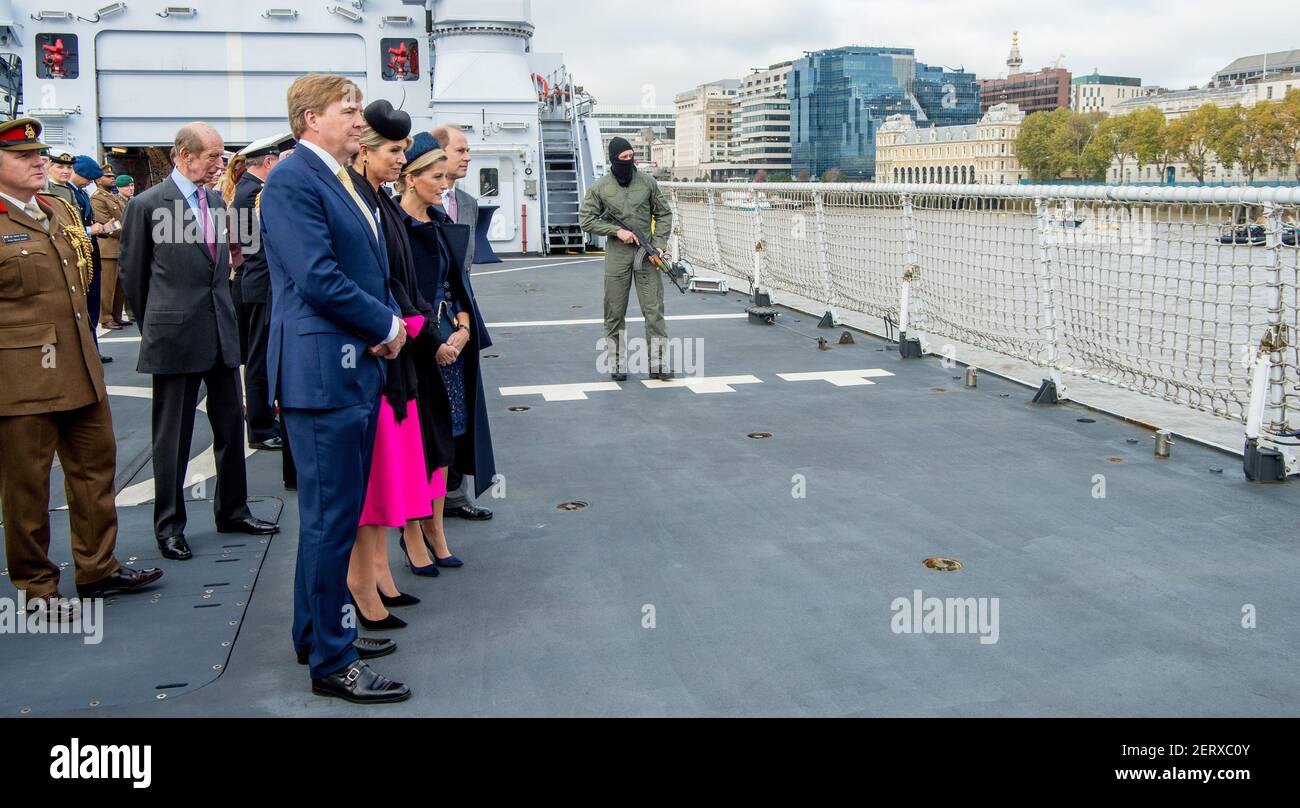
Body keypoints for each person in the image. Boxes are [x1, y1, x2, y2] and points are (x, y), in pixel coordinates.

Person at [260, 73, 411, 703]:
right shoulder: (296, 179)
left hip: (346, 368)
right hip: (323, 375)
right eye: (347, 111)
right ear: (309, 119)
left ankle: (316, 632)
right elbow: (318, 277)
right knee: (331, 522)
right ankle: (333, 661)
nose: (359, 120)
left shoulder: (339, 178)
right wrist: (384, 324)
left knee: (328, 518)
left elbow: (359, 267)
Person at [0, 118, 163, 619]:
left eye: (39, 154)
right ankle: (37, 585)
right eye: (23, 156)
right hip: (21, 378)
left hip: (79, 364)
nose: (37, 161)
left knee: (95, 468)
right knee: (27, 486)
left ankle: (98, 567)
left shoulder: (57, 209)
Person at [119, 122, 279, 564]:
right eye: (211, 155)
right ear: (183, 156)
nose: (219, 163)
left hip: (219, 332)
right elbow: (133, 276)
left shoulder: (215, 201)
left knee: (231, 428)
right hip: (175, 335)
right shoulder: (147, 205)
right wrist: (159, 319)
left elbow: (226, 262)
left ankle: (233, 509)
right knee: (172, 438)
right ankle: (169, 527)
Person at [346, 101, 451, 626]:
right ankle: (365, 586)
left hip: (398, 348)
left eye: (404, 149)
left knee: (388, 475)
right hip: (379, 350)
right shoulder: (359, 200)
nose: (400, 158)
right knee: (371, 481)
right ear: (365, 150)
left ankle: (379, 575)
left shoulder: (377, 200)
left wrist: (415, 326)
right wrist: (410, 327)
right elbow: (369, 283)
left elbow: (397, 282)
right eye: (394, 150)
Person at [399, 135, 495, 569]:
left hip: (451, 342)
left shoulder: (438, 221)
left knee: (447, 441)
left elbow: (456, 283)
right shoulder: (393, 226)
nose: (443, 185)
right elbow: (395, 292)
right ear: (410, 177)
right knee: (417, 446)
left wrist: (463, 324)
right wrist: (434, 342)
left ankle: (437, 530)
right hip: (417, 348)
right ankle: (412, 532)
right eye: (435, 177)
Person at [431, 124, 492, 522]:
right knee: (435, 409)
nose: (468, 157)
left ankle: (455, 493)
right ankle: (430, 499)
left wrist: (465, 323)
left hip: (463, 318)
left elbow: (464, 271)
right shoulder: (410, 203)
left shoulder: (467, 203)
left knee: (461, 407)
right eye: (461, 149)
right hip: (430, 318)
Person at [578, 136, 675, 380]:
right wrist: (616, 231)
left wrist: (660, 245)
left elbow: (664, 213)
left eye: (631, 157)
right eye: (623, 158)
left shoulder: (648, 182)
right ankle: (617, 363)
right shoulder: (600, 187)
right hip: (617, 256)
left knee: (654, 311)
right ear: (613, 159)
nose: (628, 161)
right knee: (614, 312)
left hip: (647, 255)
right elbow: (586, 219)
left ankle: (659, 364)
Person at [230, 133, 292, 451]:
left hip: (258, 283)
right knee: (259, 361)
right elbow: (258, 246)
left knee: (263, 358)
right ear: (268, 162)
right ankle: (261, 427)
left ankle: (265, 417)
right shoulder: (254, 194)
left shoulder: (249, 191)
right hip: (261, 284)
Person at [69, 156, 110, 363]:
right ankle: (88, 350)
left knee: (92, 305)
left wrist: (100, 229)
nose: (89, 182)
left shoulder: (81, 193)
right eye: (87, 178)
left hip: (90, 253)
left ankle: (92, 347)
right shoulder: (61, 193)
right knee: (84, 306)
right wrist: (89, 230)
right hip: (78, 256)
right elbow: (65, 227)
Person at [90, 162, 128, 331]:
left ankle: (116, 315)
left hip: (120, 248)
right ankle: (105, 317)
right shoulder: (97, 198)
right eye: (108, 177)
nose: (112, 179)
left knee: (120, 287)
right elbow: (106, 223)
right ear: (98, 180)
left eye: (113, 176)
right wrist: (130, 231)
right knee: (107, 287)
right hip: (108, 247)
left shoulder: (113, 197)